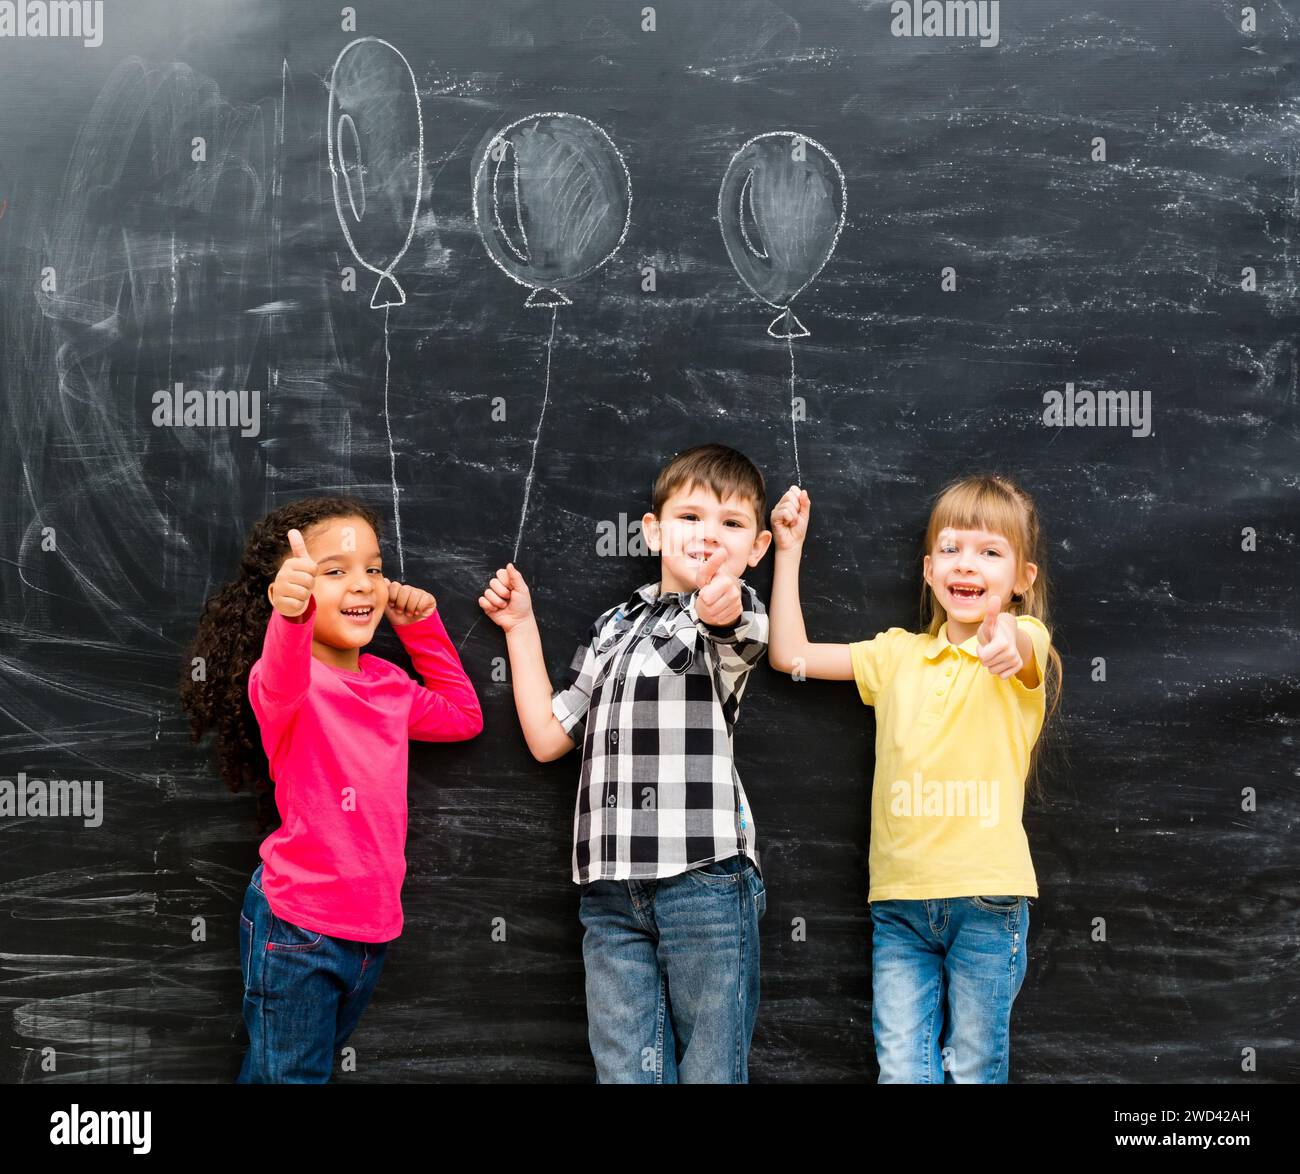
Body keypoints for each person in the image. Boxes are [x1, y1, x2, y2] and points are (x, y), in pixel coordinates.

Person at [479, 444, 772, 1082]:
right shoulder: (614, 626)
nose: (709, 536)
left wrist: (720, 603)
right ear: (653, 530)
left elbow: (734, 624)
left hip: (705, 879)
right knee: (625, 1073)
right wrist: (520, 628)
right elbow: (548, 737)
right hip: (609, 889)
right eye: (691, 517)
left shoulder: (737, 615)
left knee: (713, 1072)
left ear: (757, 547)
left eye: (732, 524)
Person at [768, 474, 1062, 1083]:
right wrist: (789, 550)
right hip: (899, 904)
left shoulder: (1021, 640)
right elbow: (788, 654)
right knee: (903, 1070)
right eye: (951, 549)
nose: (967, 564)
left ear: (1022, 581)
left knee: (976, 1068)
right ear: (929, 570)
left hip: (987, 897)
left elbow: (1021, 640)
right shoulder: (895, 655)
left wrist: (1003, 637)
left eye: (990, 552)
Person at [180, 495, 483, 1082]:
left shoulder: (389, 685)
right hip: (298, 928)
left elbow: (462, 715)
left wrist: (419, 627)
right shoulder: (287, 687)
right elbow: (282, 665)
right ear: (290, 586)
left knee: (291, 1073)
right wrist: (289, 614)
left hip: (370, 930)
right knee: (291, 1077)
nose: (364, 585)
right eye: (334, 571)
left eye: (373, 568)